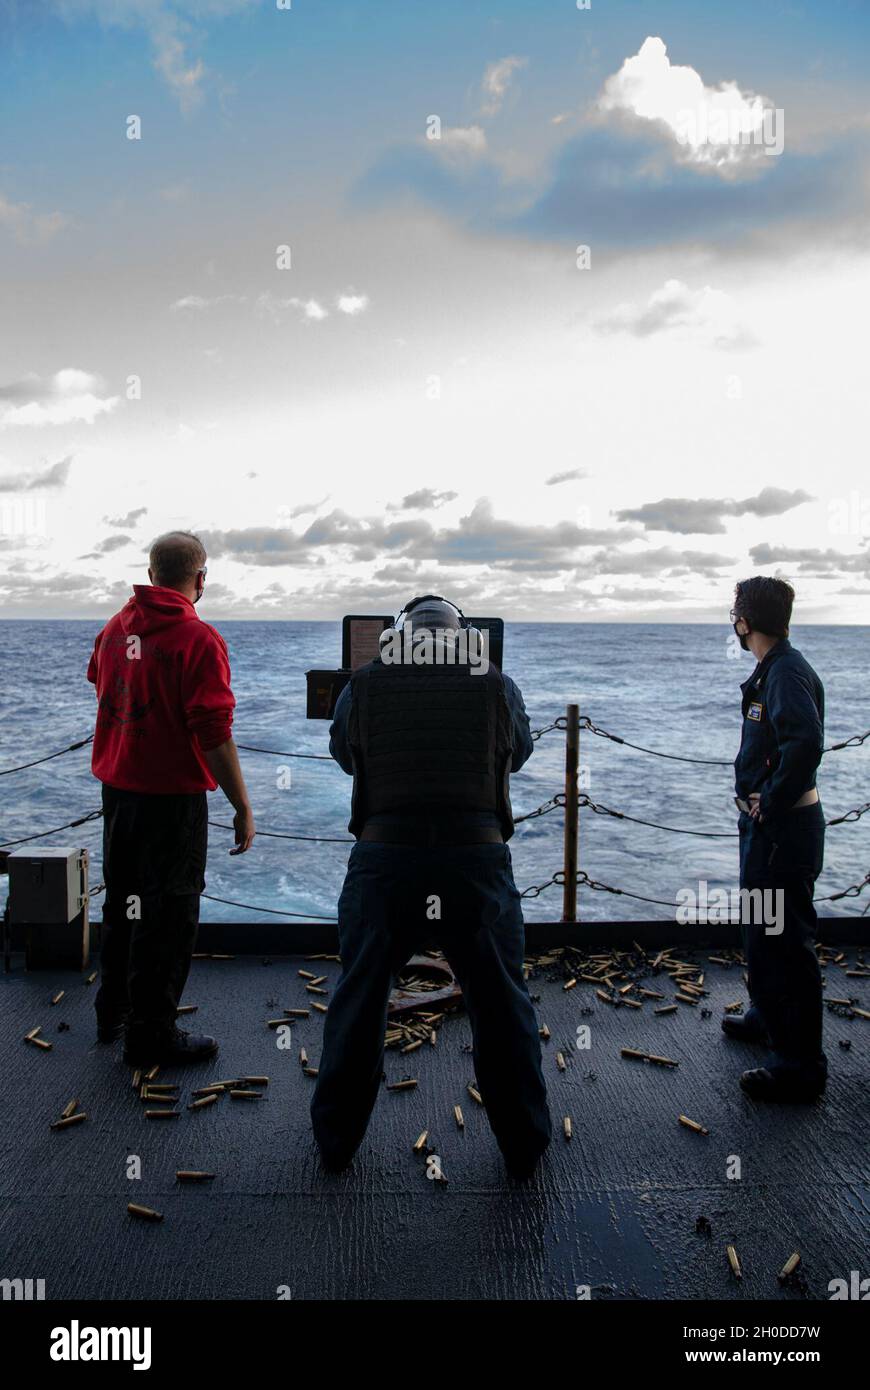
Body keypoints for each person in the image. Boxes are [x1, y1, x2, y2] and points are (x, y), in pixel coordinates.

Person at [311, 595, 552, 1178]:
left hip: (385, 861)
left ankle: (336, 1142)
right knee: (500, 1001)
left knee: (361, 999)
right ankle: (524, 1143)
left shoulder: (364, 684)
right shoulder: (496, 683)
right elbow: (517, 753)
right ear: (462, 634)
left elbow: (345, 755)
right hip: (476, 863)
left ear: (400, 633)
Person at [87, 530, 256, 1066]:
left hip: (119, 793)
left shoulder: (116, 628)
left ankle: (111, 1010)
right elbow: (212, 731)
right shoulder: (197, 639)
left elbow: (101, 682)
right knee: (170, 914)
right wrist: (242, 804)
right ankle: (151, 1035)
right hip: (171, 802)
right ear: (200, 578)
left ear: (152, 572)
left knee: (124, 903)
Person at [725, 576, 827, 1101]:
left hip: (783, 831)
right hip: (772, 830)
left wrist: (771, 799)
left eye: (735, 615)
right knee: (765, 932)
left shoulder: (785, 674)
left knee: (786, 945)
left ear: (745, 623)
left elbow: (806, 741)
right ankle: (768, 1016)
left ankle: (800, 1066)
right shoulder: (777, 669)